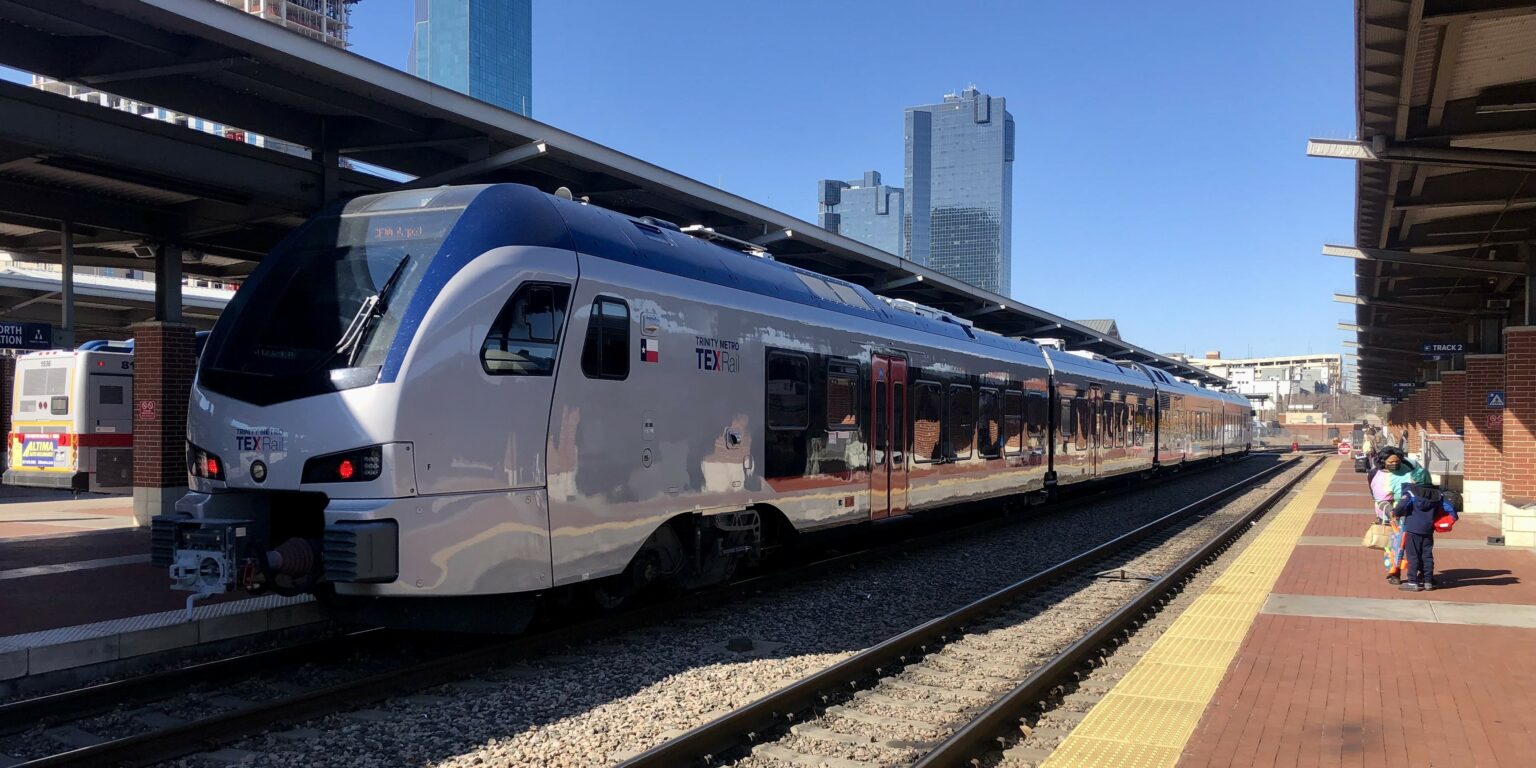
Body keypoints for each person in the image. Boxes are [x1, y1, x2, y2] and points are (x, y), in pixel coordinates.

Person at [1371, 447, 1429, 585]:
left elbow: (1423, 478)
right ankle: (1394, 572)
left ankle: (1421, 571)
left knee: (1417, 544)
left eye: (1397, 461)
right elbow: (1380, 500)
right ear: (1383, 461)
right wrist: (1391, 511)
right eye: (1391, 462)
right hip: (1393, 516)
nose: (1395, 464)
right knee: (1393, 546)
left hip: (1414, 513)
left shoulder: (1410, 466)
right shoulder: (1380, 477)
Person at [1393, 483, 1458, 591]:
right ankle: (1428, 581)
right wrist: (1449, 519)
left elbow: (1400, 507)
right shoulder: (1438, 494)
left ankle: (1412, 582)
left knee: (1413, 556)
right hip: (1428, 530)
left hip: (1413, 529)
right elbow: (1451, 509)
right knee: (1427, 556)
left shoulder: (1411, 492)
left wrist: (1396, 513)